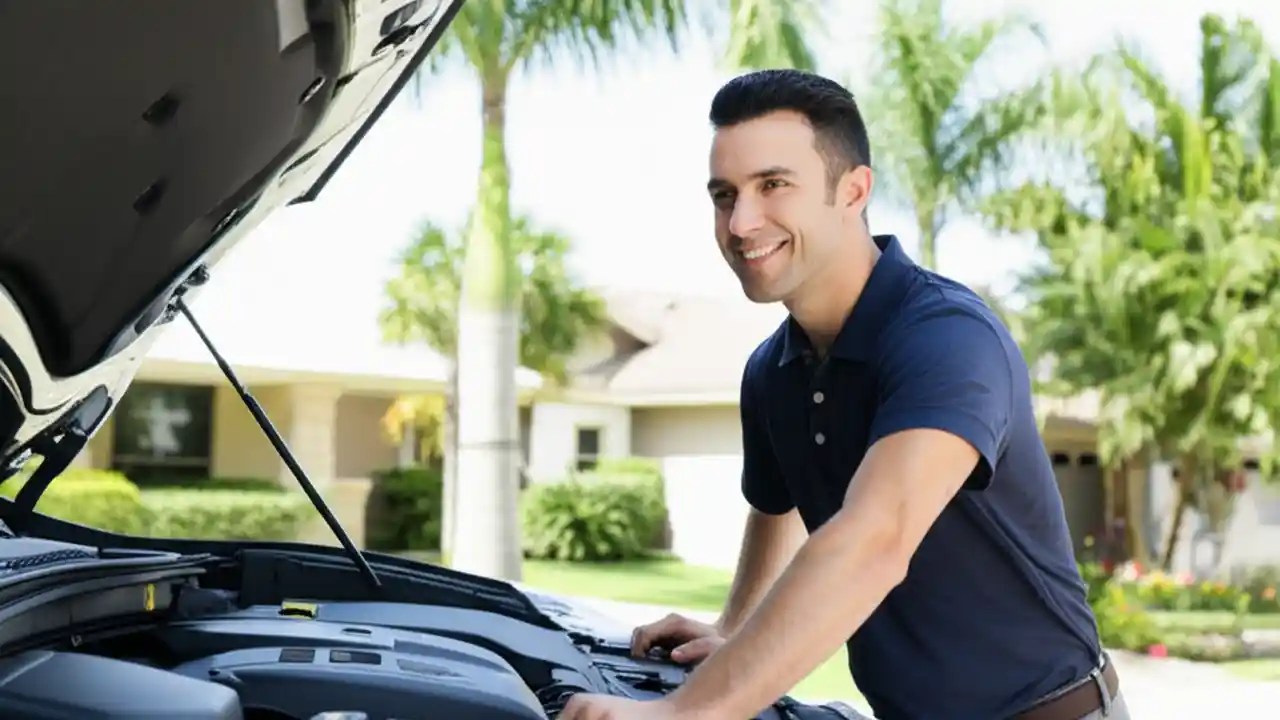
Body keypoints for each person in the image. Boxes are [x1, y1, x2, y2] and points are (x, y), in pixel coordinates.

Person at [560, 69, 1126, 720]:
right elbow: (777, 508)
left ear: (853, 190)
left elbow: (873, 539)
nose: (742, 222)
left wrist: (684, 715)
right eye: (724, 194)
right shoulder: (773, 372)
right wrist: (733, 633)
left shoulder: (946, 339)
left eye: (774, 185)